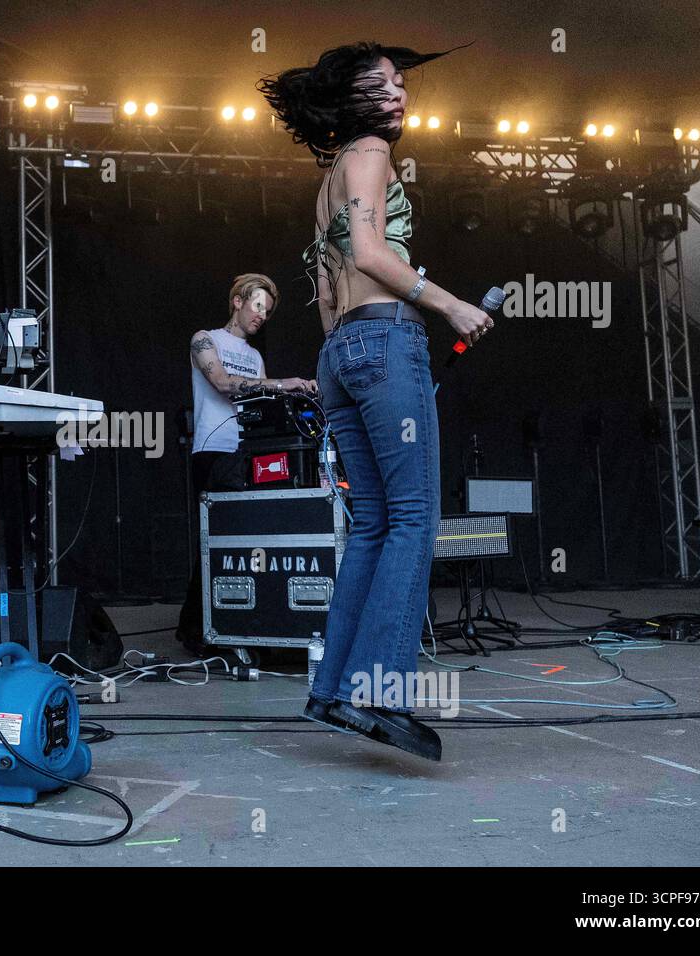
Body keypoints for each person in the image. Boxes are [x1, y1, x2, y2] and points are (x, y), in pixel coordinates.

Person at [260, 41, 492, 761]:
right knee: (415, 518)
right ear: (353, 102)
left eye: (400, 84)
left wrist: (346, 356)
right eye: (382, 85)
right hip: (385, 344)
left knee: (372, 527)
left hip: (341, 353)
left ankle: (333, 692)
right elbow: (365, 253)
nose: (398, 94)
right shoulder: (367, 153)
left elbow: (327, 293)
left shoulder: (328, 177)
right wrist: (449, 305)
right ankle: (380, 694)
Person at [176, 273, 316, 655]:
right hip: (214, 450)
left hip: (247, 451)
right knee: (216, 539)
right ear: (237, 301)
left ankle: (232, 622)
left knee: (244, 539)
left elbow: (262, 405)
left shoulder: (254, 356)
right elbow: (221, 383)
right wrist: (281, 383)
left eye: (268, 312)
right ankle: (195, 630)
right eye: (257, 306)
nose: (262, 316)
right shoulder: (205, 340)